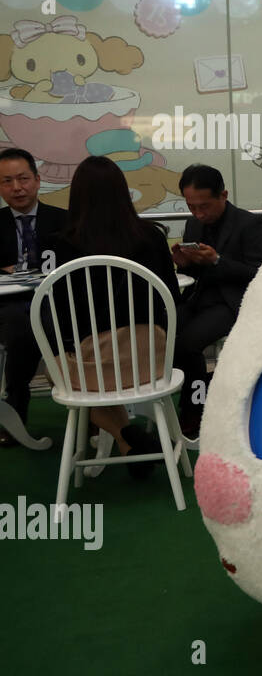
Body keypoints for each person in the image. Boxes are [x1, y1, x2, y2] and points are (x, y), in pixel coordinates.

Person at [45, 156, 181, 476]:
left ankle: (124, 436)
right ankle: (130, 442)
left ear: (76, 196)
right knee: (99, 377)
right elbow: (171, 296)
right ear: (124, 192)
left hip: (97, 357)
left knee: (60, 372)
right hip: (153, 359)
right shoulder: (152, 236)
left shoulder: (61, 245)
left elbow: (60, 312)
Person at [172, 164, 262, 437]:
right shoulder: (193, 224)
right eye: (192, 207)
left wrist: (217, 261)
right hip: (197, 297)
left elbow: (259, 275)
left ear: (223, 195)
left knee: (188, 343)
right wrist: (184, 263)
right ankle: (205, 389)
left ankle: (194, 408)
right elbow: (191, 274)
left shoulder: (249, 224)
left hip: (232, 301)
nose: (198, 214)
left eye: (204, 206)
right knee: (164, 332)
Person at [0, 147, 68, 446]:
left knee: (52, 322)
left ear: (38, 180)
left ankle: (90, 406)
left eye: (23, 178)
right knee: (20, 325)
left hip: (56, 302)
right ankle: (16, 405)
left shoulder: (64, 220)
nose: (17, 188)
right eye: (7, 181)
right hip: (9, 306)